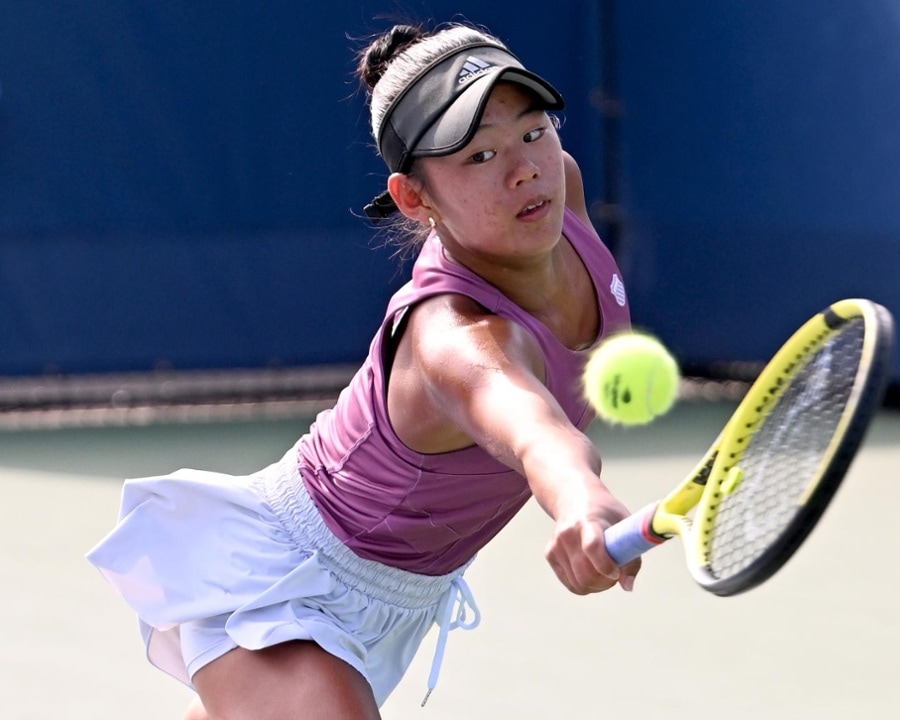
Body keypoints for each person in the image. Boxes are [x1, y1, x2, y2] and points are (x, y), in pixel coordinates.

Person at [87, 20, 642, 720]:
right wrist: (581, 500)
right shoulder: (454, 338)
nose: (523, 167)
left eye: (533, 130)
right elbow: (534, 431)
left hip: (405, 593)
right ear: (414, 198)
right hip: (290, 582)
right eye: (479, 156)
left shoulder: (557, 186)